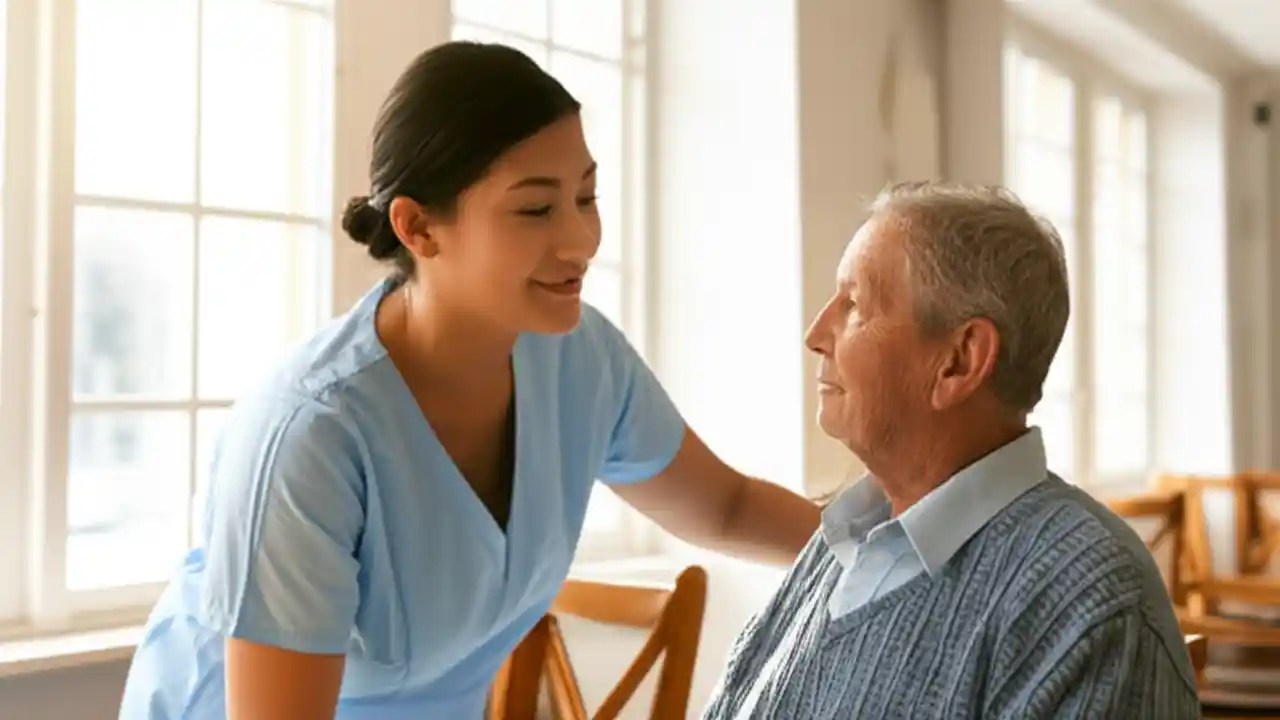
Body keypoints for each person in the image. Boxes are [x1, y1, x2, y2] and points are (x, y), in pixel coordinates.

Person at [118, 41, 819, 720]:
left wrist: (876, 546)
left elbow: (726, 508)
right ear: (419, 228)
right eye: (536, 209)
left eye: (586, 196)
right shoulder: (311, 436)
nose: (581, 240)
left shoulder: (581, 360)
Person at [702, 183, 1200, 719]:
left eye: (855, 305)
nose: (816, 334)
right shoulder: (843, 542)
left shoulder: (1090, 600)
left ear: (960, 361)